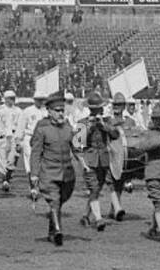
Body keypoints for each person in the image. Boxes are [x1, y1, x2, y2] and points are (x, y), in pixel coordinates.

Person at [125, 96, 160, 245]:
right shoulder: (148, 133)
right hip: (154, 173)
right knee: (159, 202)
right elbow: (143, 146)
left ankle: (153, 228)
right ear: (153, 120)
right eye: (157, 119)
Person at [29, 93, 77, 246]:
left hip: (67, 173)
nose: (61, 113)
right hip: (49, 172)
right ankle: (57, 231)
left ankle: (52, 229)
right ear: (49, 111)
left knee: (61, 200)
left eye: (62, 110)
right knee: (54, 200)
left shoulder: (68, 126)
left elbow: (76, 146)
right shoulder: (42, 128)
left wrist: (84, 162)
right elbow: (36, 151)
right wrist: (34, 174)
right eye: (57, 110)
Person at [74, 91, 118, 230]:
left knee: (96, 189)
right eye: (98, 108)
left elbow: (116, 134)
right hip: (90, 159)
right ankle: (99, 219)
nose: (101, 110)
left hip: (103, 159)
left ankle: (86, 216)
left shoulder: (107, 121)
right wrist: (90, 128)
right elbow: (77, 142)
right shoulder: (83, 123)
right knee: (93, 187)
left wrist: (103, 126)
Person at [104, 92, 131, 221]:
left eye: (119, 104)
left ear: (124, 106)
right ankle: (117, 208)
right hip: (109, 155)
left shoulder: (130, 120)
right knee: (111, 182)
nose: (117, 107)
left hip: (122, 157)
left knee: (118, 182)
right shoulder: (108, 120)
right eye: (115, 104)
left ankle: (113, 209)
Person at [1, 89, 23, 191]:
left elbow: (20, 125)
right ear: (5, 99)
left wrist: (19, 139)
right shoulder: (1, 110)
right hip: (3, 135)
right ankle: (1, 177)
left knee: (12, 158)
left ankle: (6, 180)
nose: (12, 100)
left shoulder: (18, 111)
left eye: (13, 98)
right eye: (10, 98)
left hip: (14, 134)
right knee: (1, 158)